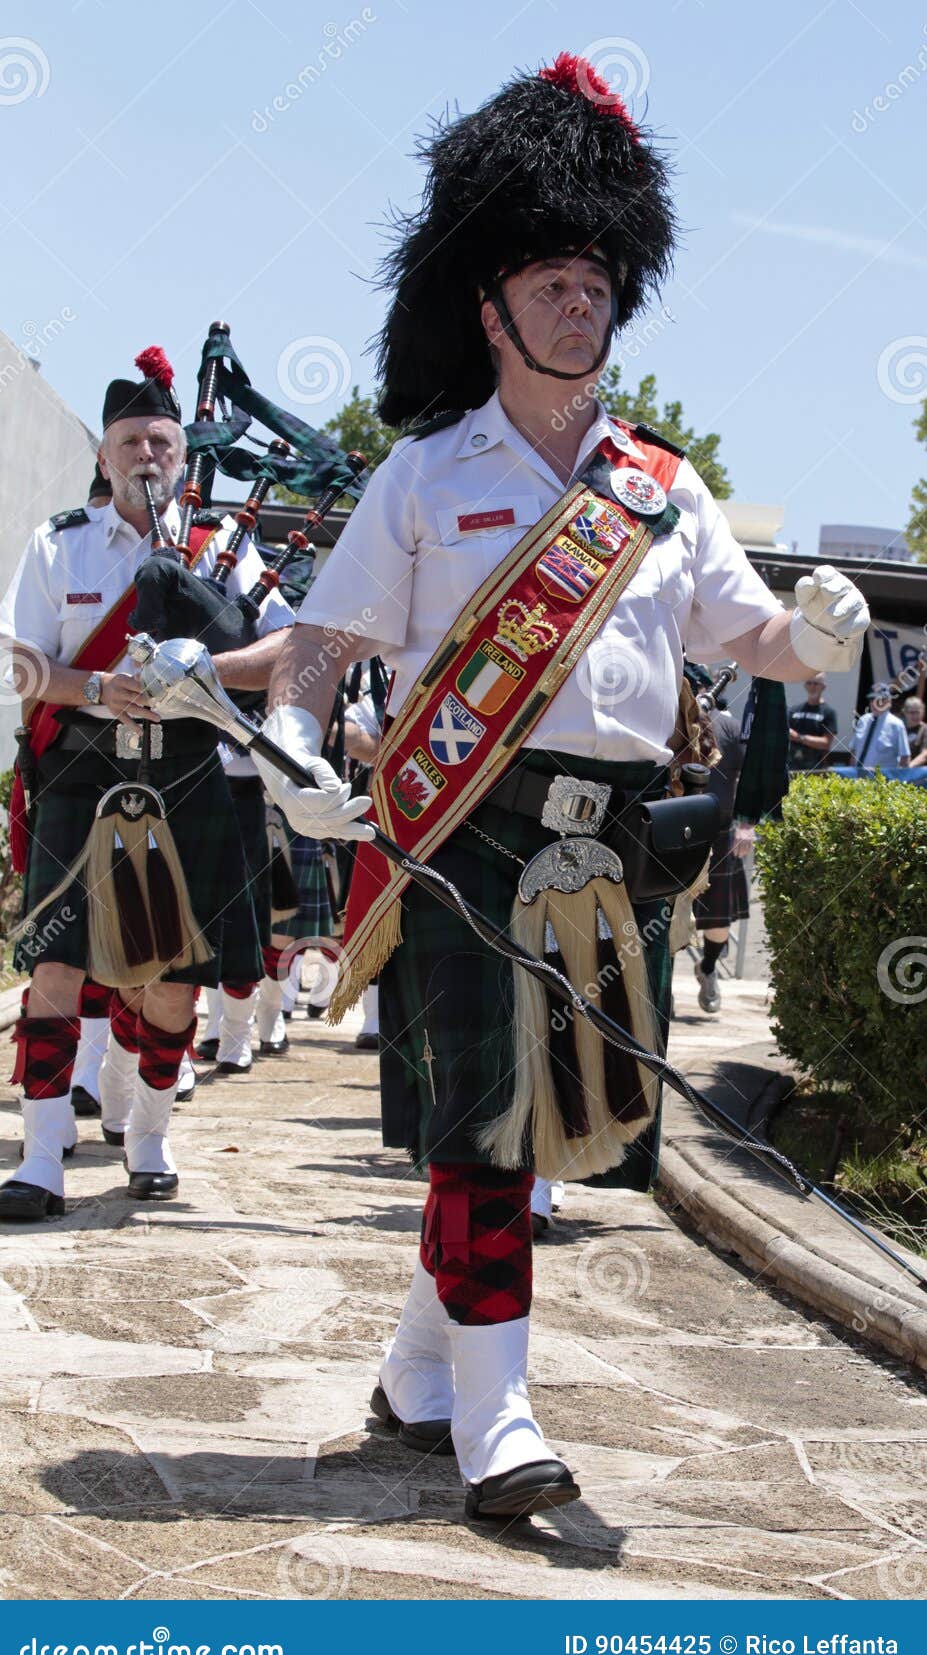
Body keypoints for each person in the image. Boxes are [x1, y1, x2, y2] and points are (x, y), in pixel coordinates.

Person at [254, 54, 870, 1521]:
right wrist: (291, 751)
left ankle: (418, 1378)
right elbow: (320, 650)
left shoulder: (660, 490)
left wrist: (823, 637)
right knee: (484, 1125)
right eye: (547, 276)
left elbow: (752, 641)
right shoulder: (421, 472)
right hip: (466, 823)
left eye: (597, 278)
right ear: (490, 304)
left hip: (604, 849)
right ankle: (499, 1421)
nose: (578, 299)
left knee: (537, 1126)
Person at [0, 347, 292, 1220]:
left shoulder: (220, 552)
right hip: (83, 769)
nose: (147, 457)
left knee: (175, 979)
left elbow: (293, 647)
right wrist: (92, 687)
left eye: (162, 441)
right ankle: (42, 1154)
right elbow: (17, 660)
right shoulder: (61, 543)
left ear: (181, 453)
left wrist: (209, 668)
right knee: (55, 964)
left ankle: (148, 1137)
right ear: (104, 456)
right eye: (130, 441)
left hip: (189, 774)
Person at [690, 672, 752, 1014]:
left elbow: (747, 778)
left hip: (720, 832)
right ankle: (661, 987)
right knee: (663, 916)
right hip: (672, 831)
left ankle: (709, 969)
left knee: (717, 921)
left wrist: (746, 824)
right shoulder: (671, 719)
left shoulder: (728, 727)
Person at [851, 685, 910, 771]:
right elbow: (854, 751)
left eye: (881, 699)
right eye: (872, 699)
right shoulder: (863, 720)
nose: (876, 703)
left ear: (889, 701)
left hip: (882, 780)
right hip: (858, 779)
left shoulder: (897, 725)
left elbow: (904, 758)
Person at [787, 673, 837, 770]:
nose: (812, 686)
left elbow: (826, 743)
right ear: (805, 685)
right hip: (791, 764)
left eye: (815, 683)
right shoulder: (794, 710)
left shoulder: (828, 712)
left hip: (815, 767)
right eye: (809, 683)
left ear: (823, 687)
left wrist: (799, 738)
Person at [903, 695, 927, 766]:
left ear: (923, 712)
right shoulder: (900, 728)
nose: (915, 716)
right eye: (912, 712)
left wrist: (909, 766)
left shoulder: (925, 729)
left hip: (918, 773)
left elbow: (925, 754)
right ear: (905, 712)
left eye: (918, 712)